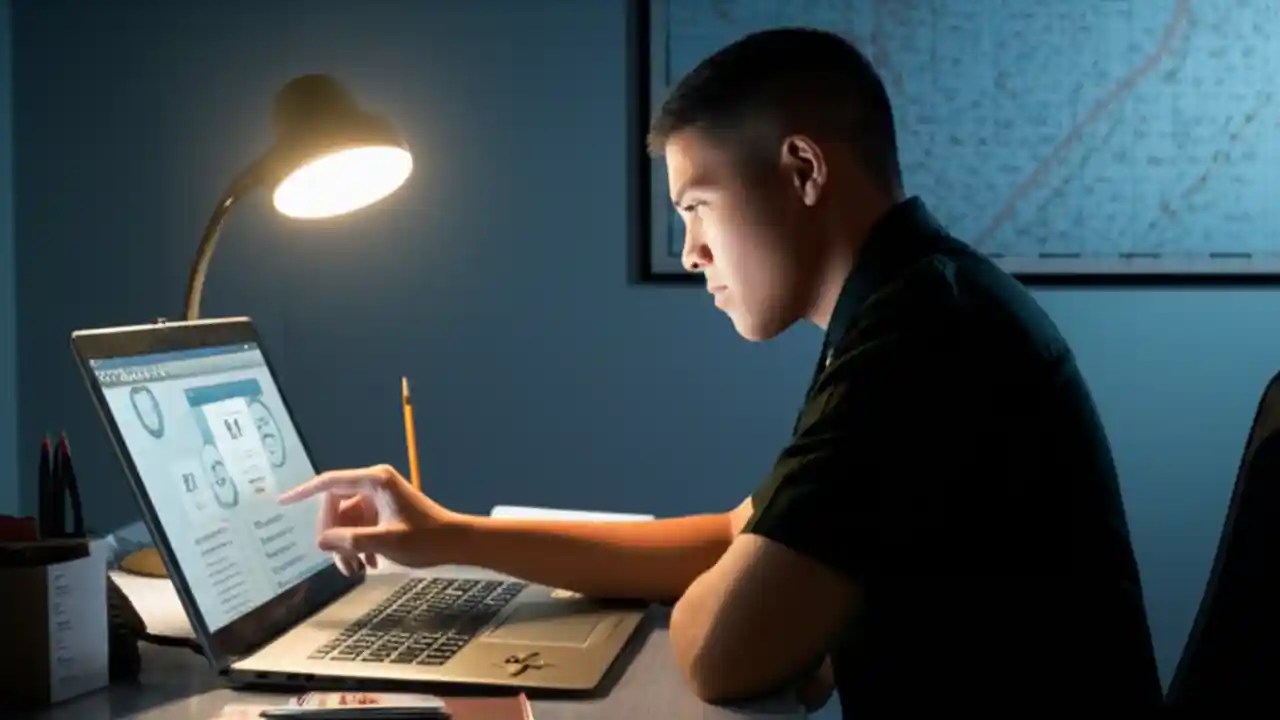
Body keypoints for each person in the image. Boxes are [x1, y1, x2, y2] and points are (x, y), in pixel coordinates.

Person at [279, 28, 1163, 714]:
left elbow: (718, 652)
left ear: (804, 170)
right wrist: (449, 537)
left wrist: (790, 608)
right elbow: (731, 536)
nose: (693, 250)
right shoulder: (912, 297)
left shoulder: (924, 337)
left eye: (697, 205)